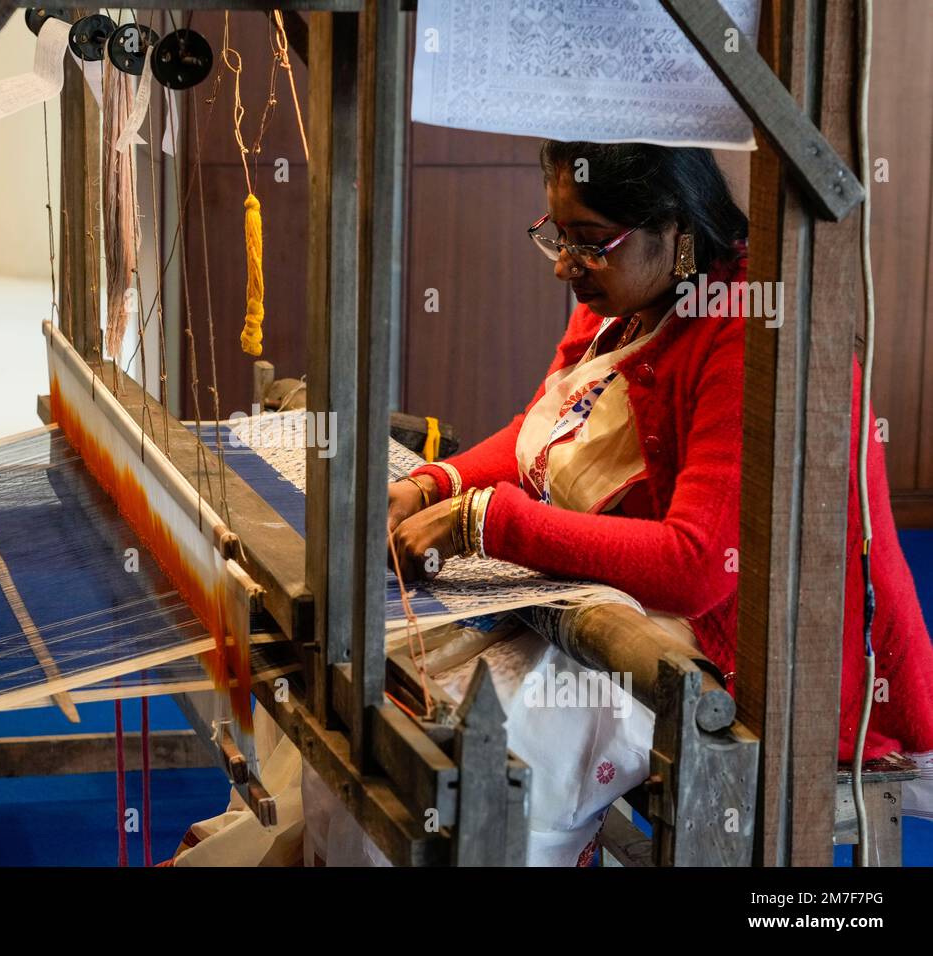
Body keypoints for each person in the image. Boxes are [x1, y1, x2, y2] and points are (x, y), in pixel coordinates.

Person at [387, 142, 933, 823]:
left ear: (675, 232)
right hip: (653, 604)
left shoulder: (750, 335)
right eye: (556, 236)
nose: (564, 265)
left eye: (588, 243)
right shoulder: (625, 297)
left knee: (483, 761)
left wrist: (483, 522)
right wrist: (437, 482)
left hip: (763, 654)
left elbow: (694, 567)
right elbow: (551, 430)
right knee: (399, 695)